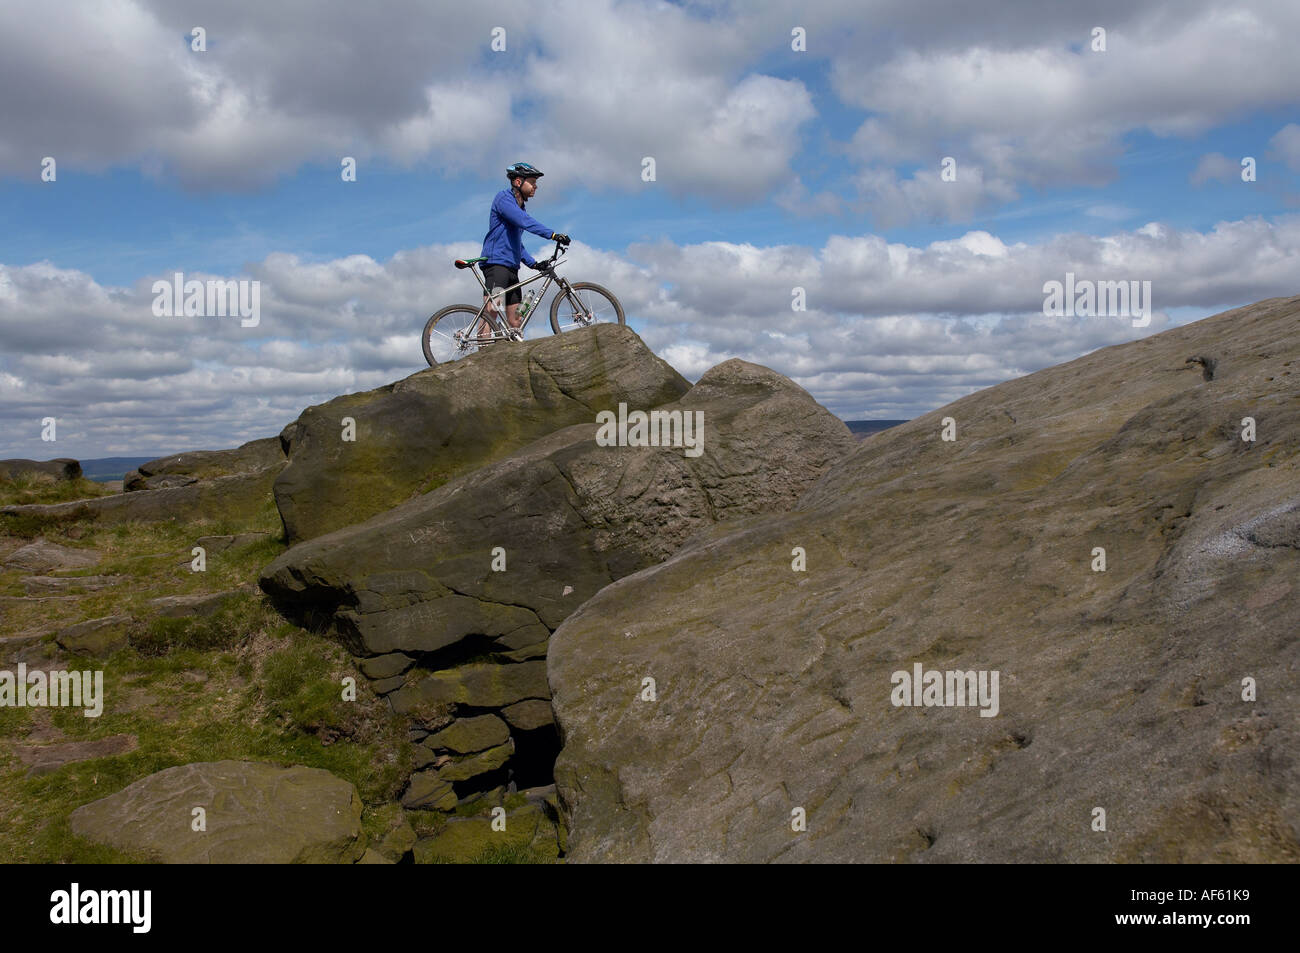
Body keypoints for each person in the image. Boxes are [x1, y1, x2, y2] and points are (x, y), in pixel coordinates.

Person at [476, 162, 571, 343]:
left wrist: (533, 263)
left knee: (515, 321)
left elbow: (516, 244)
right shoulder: (503, 199)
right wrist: (552, 235)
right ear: (518, 181)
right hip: (496, 264)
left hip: (512, 268)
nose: (536, 186)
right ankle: (481, 358)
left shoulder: (520, 207)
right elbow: (524, 221)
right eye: (533, 182)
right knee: (491, 312)